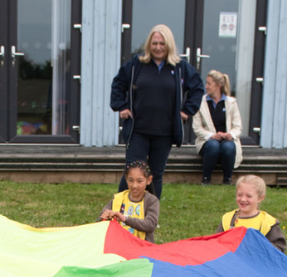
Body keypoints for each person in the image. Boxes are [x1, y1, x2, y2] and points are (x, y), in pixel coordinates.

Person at [109, 25, 205, 199]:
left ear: (169, 45)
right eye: (154, 43)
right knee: (132, 171)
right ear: (149, 44)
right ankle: (121, 211)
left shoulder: (180, 67)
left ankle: (150, 215)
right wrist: (121, 106)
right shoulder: (136, 64)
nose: (158, 47)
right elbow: (118, 84)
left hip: (164, 132)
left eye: (162, 43)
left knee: (155, 174)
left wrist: (186, 111)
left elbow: (198, 87)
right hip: (138, 130)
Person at [192, 70, 242, 185]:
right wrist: (212, 135)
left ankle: (227, 179)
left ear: (218, 85)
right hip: (208, 140)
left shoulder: (231, 103)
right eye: (206, 83)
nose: (206, 86)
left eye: (209, 84)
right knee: (213, 145)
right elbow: (197, 128)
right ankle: (206, 179)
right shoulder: (201, 103)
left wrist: (230, 135)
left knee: (229, 147)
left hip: (227, 139)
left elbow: (237, 126)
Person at [214, 175, 285, 251]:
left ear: (260, 198)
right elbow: (216, 244)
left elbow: (279, 249)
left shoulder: (267, 223)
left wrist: (259, 245)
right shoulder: (228, 219)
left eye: (249, 196)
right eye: (240, 195)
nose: (243, 199)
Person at [99, 161, 160, 242]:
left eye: (139, 181)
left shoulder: (151, 201)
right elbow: (99, 221)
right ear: (126, 179)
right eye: (130, 180)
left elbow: (150, 225)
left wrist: (125, 219)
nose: (134, 185)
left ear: (149, 180)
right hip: (119, 245)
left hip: (142, 248)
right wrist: (105, 217)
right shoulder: (118, 198)